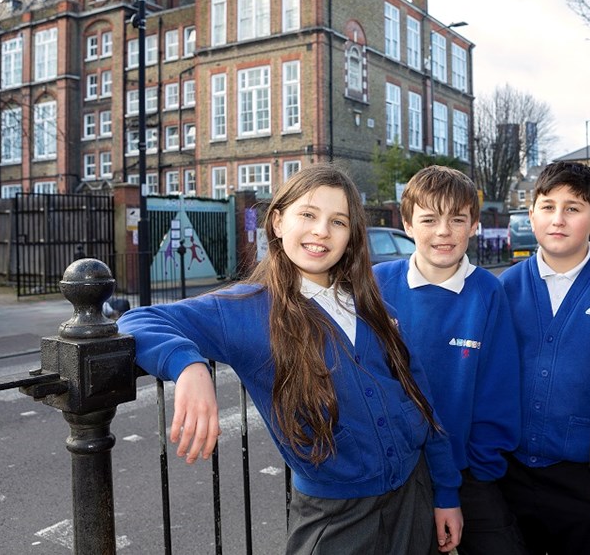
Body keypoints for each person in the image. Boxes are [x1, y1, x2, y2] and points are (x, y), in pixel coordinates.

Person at [119, 164, 463, 555]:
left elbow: (419, 400)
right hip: (337, 516)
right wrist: (188, 366)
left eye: (338, 221)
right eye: (308, 215)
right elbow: (139, 319)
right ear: (279, 221)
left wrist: (446, 493)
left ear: (350, 236)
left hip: (414, 494)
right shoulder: (249, 307)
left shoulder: (370, 303)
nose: (321, 231)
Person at [373, 165, 525, 555]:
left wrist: (471, 477)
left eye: (457, 219)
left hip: (467, 473)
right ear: (407, 224)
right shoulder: (375, 285)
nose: (443, 231)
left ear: (473, 225)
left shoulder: (488, 293)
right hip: (395, 476)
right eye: (429, 219)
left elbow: (498, 392)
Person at [497, 161, 590, 555]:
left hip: (584, 478)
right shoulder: (504, 287)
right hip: (511, 474)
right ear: (531, 215)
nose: (558, 219)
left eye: (573, 208)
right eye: (548, 206)